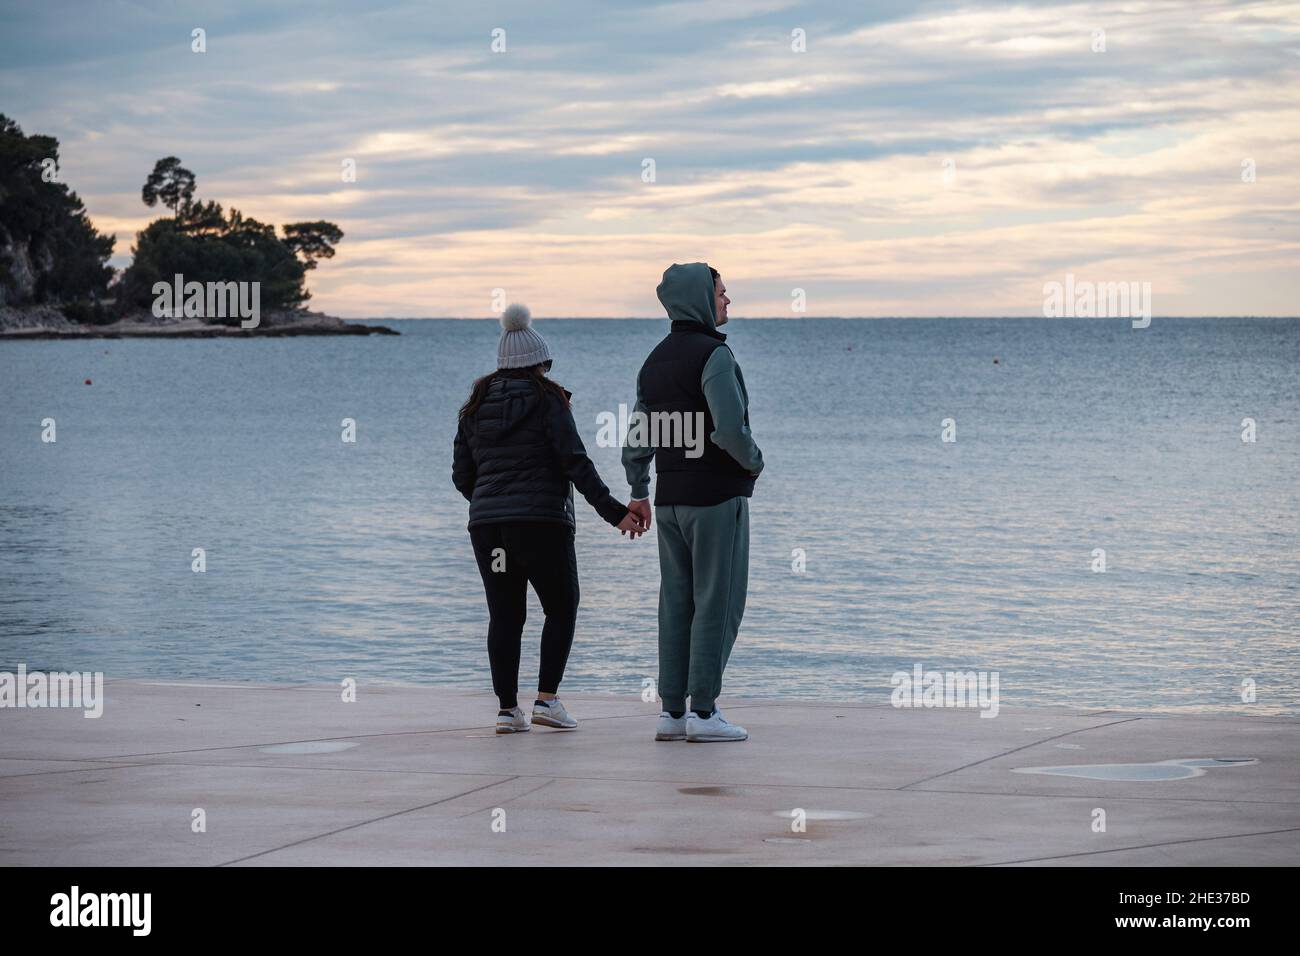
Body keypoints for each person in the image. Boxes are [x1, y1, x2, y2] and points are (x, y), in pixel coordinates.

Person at [454, 303, 646, 734]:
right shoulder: (548, 401)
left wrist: (490, 503)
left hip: (487, 529)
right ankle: (546, 700)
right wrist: (616, 513)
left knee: (505, 615)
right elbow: (575, 463)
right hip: (541, 525)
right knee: (561, 606)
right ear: (539, 362)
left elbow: (461, 475)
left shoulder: (475, 405)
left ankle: (507, 711)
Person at [622, 263, 763, 742]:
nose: (728, 301)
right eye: (722, 293)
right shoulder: (715, 357)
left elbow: (637, 440)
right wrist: (755, 462)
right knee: (718, 603)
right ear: (701, 298)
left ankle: (672, 712)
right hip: (717, 499)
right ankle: (705, 714)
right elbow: (729, 430)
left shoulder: (654, 361)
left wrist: (639, 489)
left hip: (669, 502)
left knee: (676, 603)